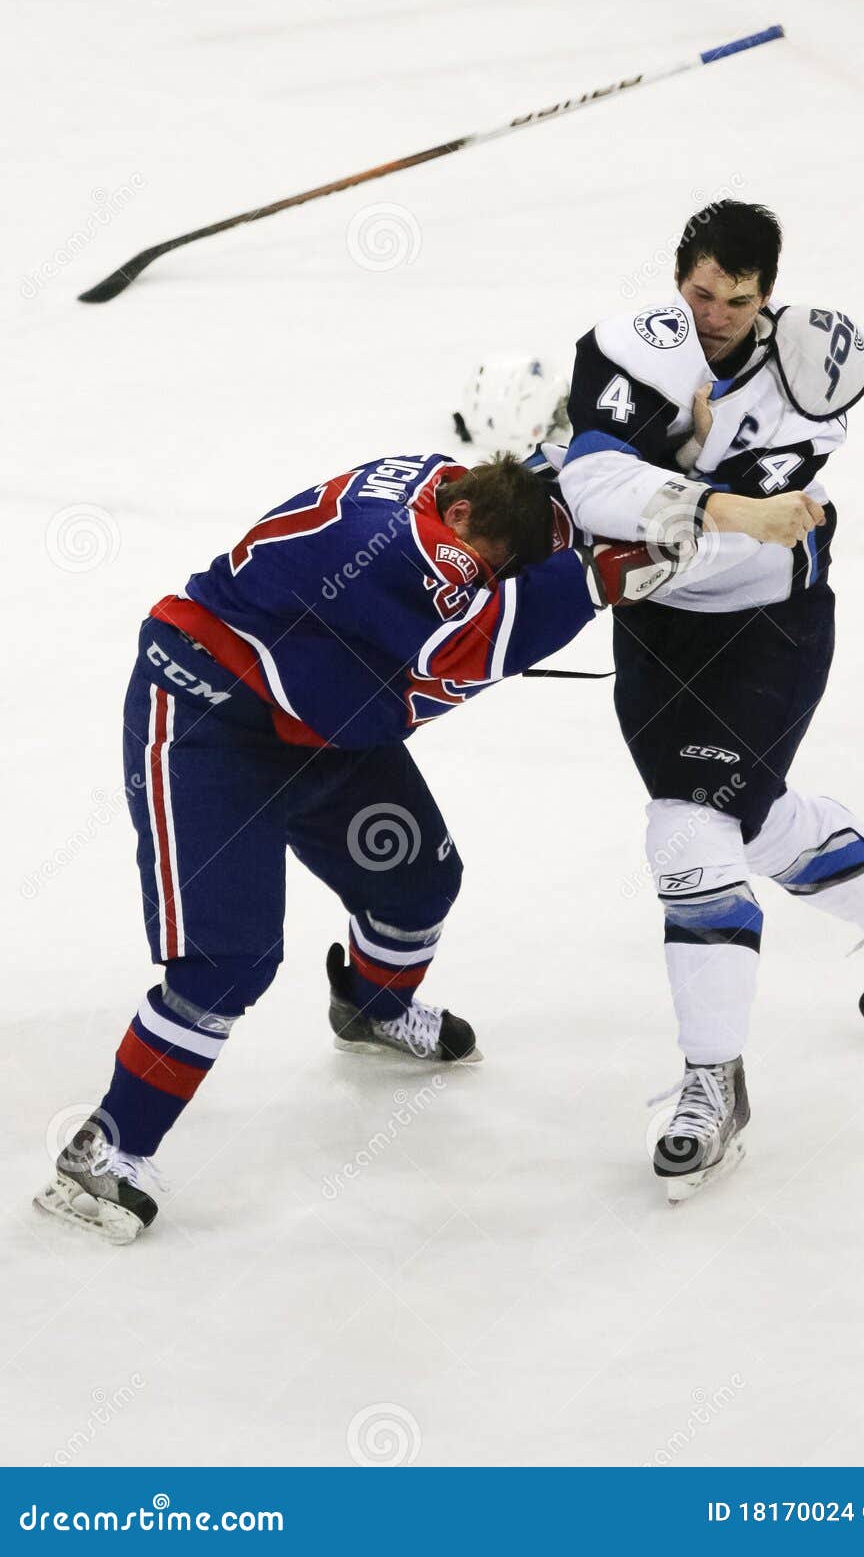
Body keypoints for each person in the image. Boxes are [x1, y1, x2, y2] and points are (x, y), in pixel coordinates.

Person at [34, 445, 804, 1242]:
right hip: (208, 721)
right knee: (226, 962)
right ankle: (105, 1152)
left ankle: (372, 1010)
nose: (478, 580)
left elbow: (549, 489)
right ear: (459, 516)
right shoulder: (405, 549)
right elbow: (469, 643)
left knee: (415, 882)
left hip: (321, 725)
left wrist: (641, 478)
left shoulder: (459, 491)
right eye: (482, 566)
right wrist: (590, 581)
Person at [558, 199, 864, 1201]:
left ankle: (711, 1085)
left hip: (769, 629)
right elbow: (592, 482)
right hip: (655, 631)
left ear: (768, 295)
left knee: (687, 832)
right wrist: (699, 488)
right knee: (745, 821)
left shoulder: (814, 368)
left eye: (736, 298)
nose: (712, 315)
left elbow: (754, 511)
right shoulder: (634, 347)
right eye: (698, 292)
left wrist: (686, 481)